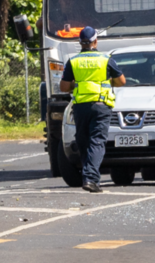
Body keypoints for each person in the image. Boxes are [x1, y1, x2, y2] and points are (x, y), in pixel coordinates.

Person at [58, 27, 125, 193]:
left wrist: (78, 85)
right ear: (95, 41)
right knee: (97, 141)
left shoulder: (73, 61)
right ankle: (90, 179)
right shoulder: (106, 59)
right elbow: (121, 81)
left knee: (83, 141)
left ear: (80, 43)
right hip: (101, 105)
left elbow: (64, 87)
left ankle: (88, 176)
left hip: (81, 106)